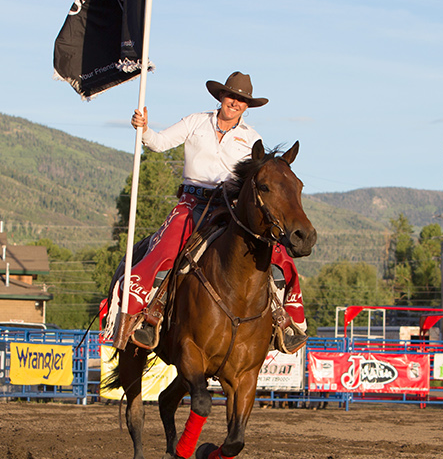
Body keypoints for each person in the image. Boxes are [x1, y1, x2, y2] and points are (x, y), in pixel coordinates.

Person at [107, 71, 308, 353]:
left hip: (231, 207)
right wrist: (144, 129)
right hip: (192, 203)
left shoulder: (253, 138)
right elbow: (159, 143)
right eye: (231, 96)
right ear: (221, 96)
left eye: (241, 100)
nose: (235, 102)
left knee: (277, 254)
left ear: (247, 106)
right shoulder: (196, 122)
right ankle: (147, 316)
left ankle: (283, 320)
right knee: (165, 249)